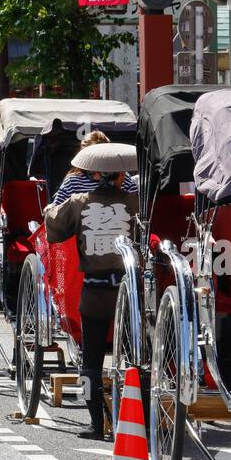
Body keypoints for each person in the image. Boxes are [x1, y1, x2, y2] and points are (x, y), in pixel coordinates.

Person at [43, 142, 139, 441]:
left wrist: (49, 209)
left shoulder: (80, 200)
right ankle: (137, 419)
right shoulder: (134, 203)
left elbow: (55, 230)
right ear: (122, 176)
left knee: (91, 361)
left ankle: (96, 424)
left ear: (97, 174)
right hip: (129, 292)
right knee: (135, 356)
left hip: (94, 292)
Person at [51, 130, 138, 205]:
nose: (97, 174)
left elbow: (137, 206)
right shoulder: (73, 182)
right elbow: (56, 213)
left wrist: (117, 188)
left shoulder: (122, 177)